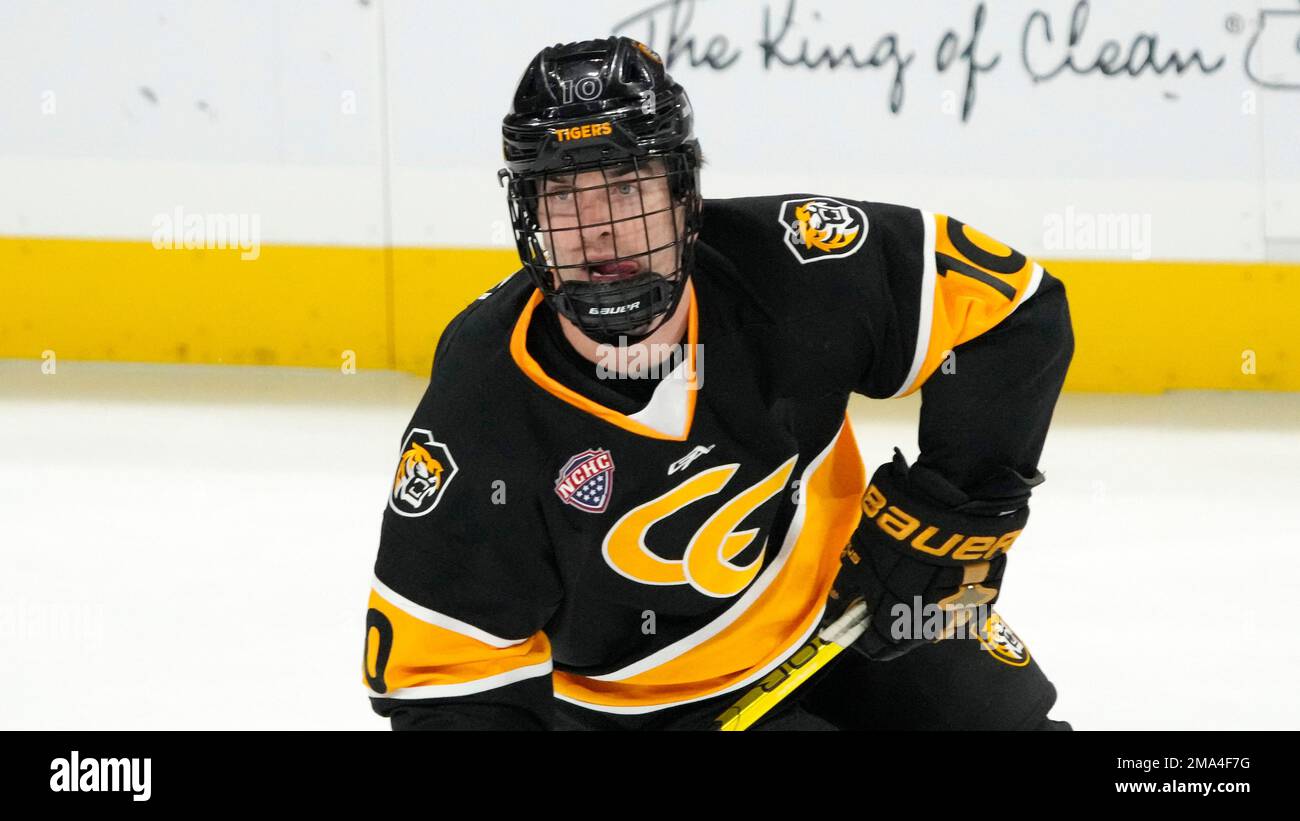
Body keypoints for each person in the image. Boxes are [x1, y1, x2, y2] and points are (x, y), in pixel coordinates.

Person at [361, 36, 1075, 730]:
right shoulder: (482, 401)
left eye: (625, 183)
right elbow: (445, 681)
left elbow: (1013, 314)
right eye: (563, 193)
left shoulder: (791, 266)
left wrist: (943, 522)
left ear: (682, 195)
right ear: (529, 214)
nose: (598, 227)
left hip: (850, 606)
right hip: (651, 708)